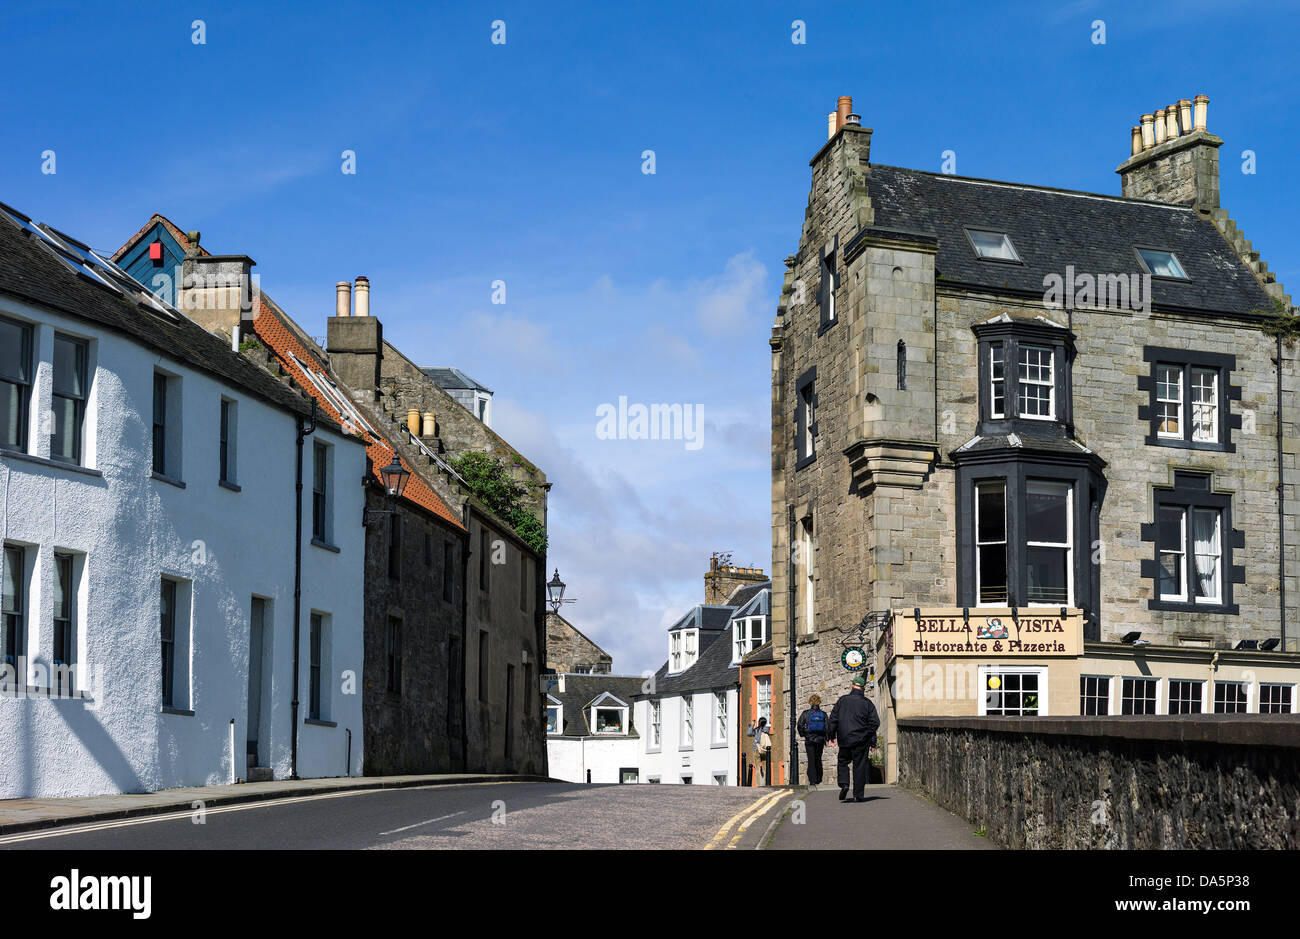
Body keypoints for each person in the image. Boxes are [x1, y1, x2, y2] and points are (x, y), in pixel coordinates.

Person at [828, 674, 880, 803]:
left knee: (843, 761)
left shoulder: (842, 700)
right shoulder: (867, 703)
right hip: (861, 740)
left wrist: (831, 736)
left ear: (852, 686)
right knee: (859, 766)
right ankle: (858, 795)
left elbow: (833, 720)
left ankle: (844, 784)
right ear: (863, 688)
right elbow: (875, 722)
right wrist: (868, 737)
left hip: (845, 738)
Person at [796, 694, 829, 789]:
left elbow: (800, 725)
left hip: (809, 739)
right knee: (818, 758)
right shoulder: (823, 714)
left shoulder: (806, 713)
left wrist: (804, 734)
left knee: (811, 759)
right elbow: (827, 727)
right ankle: (819, 778)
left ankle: (812, 780)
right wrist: (826, 739)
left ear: (810, 702)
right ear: (819, 702)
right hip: (820, 740)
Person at [747, 717, 773, 785]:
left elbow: (749, 733)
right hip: (765, 750)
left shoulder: (756, 730)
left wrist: (752, 725)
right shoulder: (767, 729)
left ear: (759, 722)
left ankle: (758, 785)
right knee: (765, 769)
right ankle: (765, 784)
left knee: (757, 769)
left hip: (757, 750)